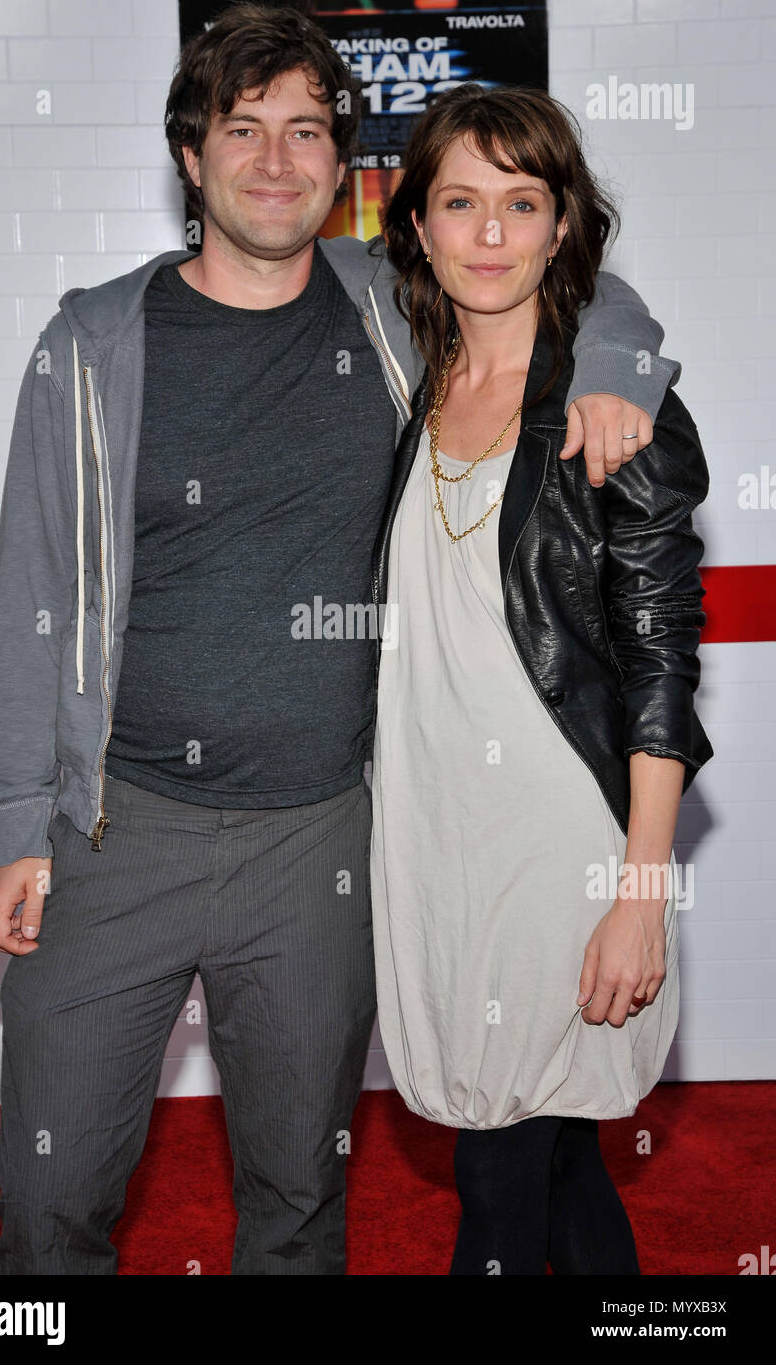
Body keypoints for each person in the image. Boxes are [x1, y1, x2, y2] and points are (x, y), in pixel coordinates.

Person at [0, 4, 678, 1276]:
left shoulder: (390, 311)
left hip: (326, 842)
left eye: (306, 130)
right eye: (243, 129)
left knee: (298, 1202)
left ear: (344, 165)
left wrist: (620, 359)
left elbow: (563, 274)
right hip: (114, 832)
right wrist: (18, 817)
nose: (276, 159)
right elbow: (33, 586)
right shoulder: (93, 344)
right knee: (49, 1204)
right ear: (191, 156)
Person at [369, 82, 713, 1275]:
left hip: (557, 843)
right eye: (461, 203)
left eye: (522, 203)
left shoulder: (616, 414)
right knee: (551, 1161)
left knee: (499, 1174)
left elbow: (665, 662)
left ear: (563, 223)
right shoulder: (404, 386)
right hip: (432, 838)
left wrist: (638, 889)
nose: (492, 234)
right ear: (416, 223)